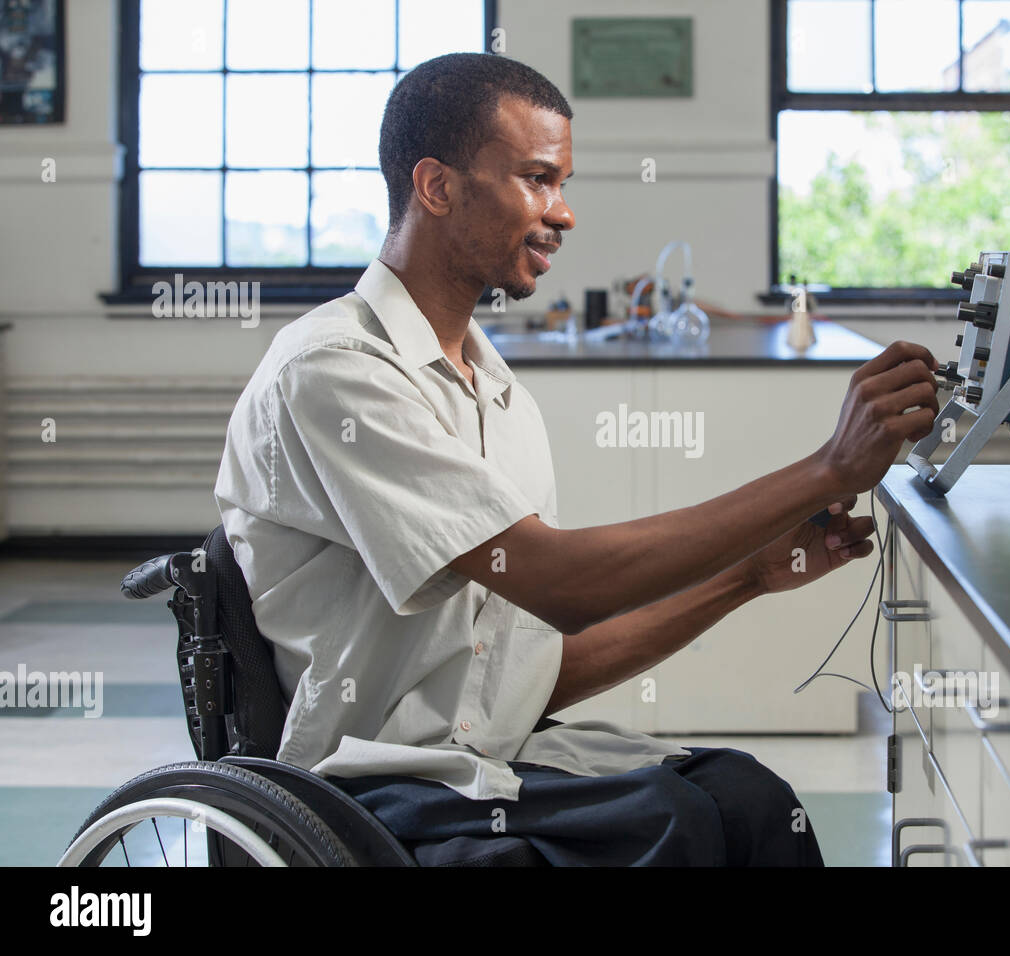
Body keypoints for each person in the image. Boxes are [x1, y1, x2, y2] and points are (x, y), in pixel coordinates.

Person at [214, 52, 939, 866]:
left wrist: (748, 577)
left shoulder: (491, 387)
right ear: (438, 187)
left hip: (478, 765)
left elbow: (527, 676)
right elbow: (565, 585)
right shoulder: (334, 367)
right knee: (672, 824)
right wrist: (828, 469)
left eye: (562, 184)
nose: (563, 214)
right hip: (367, 791)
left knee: (749, 800)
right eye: (537, 179)